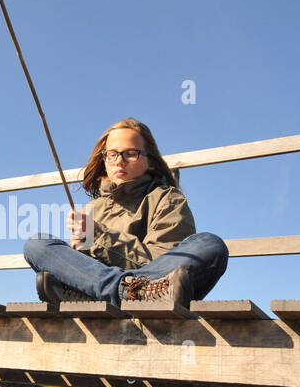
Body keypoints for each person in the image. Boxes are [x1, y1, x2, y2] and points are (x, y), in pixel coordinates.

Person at [23, 118, 229, 309]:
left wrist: (100, 237)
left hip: (156, 288)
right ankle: (129, 293)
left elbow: (162, 263)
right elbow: (84, 269)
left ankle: (111, 293)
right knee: (37, 244)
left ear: (151, 161)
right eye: (111, 154)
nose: (119, 161)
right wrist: (81, 250)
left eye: (130, 153)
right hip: (141, 293)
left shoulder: (168, 199)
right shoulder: (93, 208)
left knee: (210, 245)